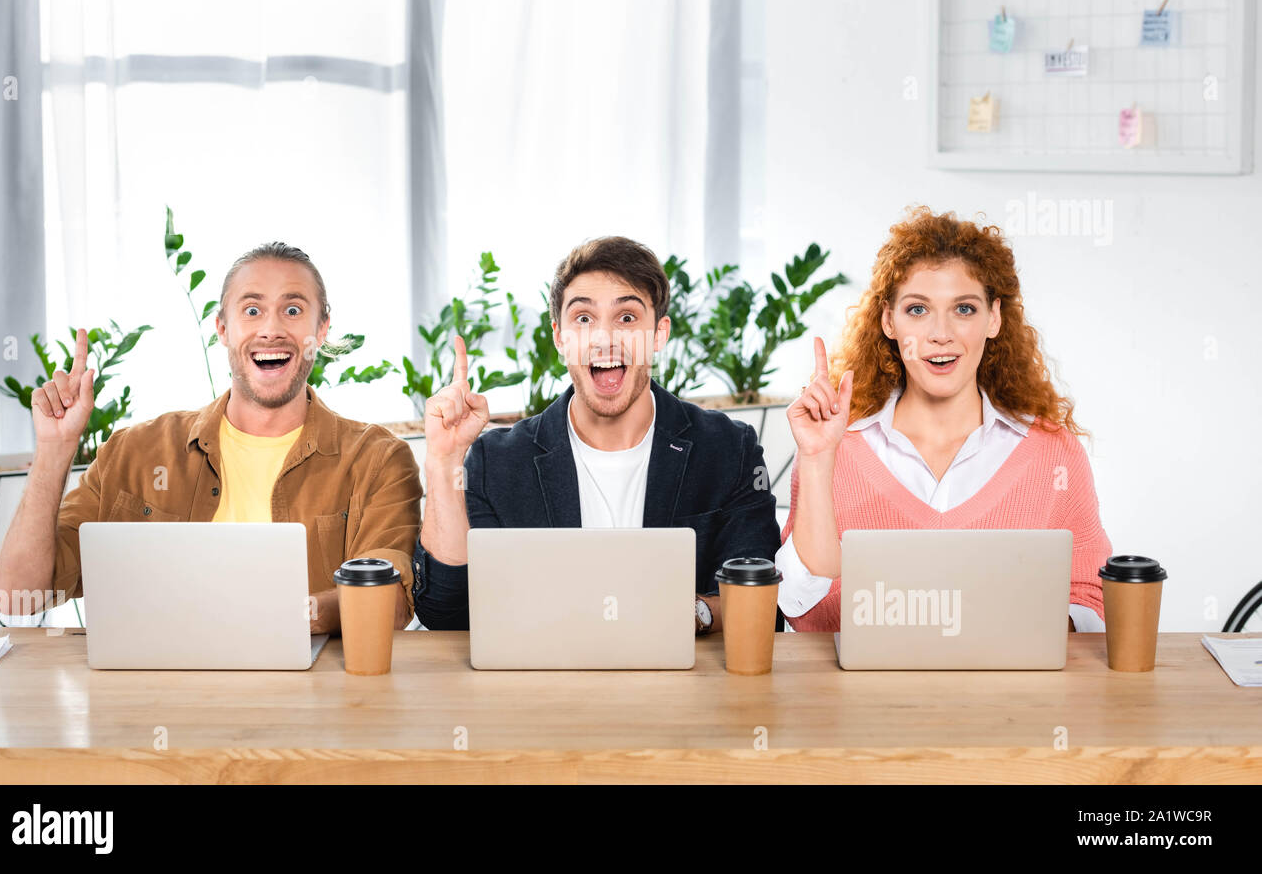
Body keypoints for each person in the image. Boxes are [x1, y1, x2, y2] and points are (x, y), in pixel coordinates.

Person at [0, 242, 422, 633]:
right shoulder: (134, 453)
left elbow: (390, 603)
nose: (270, 329)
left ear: (321, 331)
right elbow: (19, 595)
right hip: (153, 703)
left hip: (307, 706)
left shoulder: (378, 461)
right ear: (222, 329)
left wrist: (272, 617)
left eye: (293, 311)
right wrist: (54, 450)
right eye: (251, 311)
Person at [412, 236, 781, 632]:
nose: (604, 338)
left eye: (626, 318)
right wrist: (444, 460)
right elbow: (445, 613)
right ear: (560, 337)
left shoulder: (728, 449)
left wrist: (694, 612)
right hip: (543, 686)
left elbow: (763, 604)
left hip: (682, 687)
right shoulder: (497, 461)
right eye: (584, 319)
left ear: (658, 334)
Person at [777, 206, 1109, 633]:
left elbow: (1091, 602)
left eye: (964, 309)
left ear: (994, 318)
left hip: (1008, 695)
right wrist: (819, 460)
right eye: (917, 310)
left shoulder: (1053, 453)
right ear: (888, 321)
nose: (940, 334)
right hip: (858, 697)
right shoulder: (833, 444)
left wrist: (1004, 630)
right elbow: (801, 606)